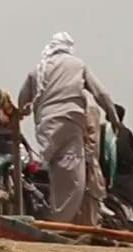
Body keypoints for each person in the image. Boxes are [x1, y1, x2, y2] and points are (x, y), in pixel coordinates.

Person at [15, 33, 121, 225]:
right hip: (70, 123)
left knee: (53, 173)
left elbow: (23, 100)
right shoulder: (77, 65)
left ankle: (54, 215)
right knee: (74, 179)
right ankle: (60, 221)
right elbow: (101, 92)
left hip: (46, 126)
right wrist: (113, 116)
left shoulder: (39, 69)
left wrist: (22, 112)